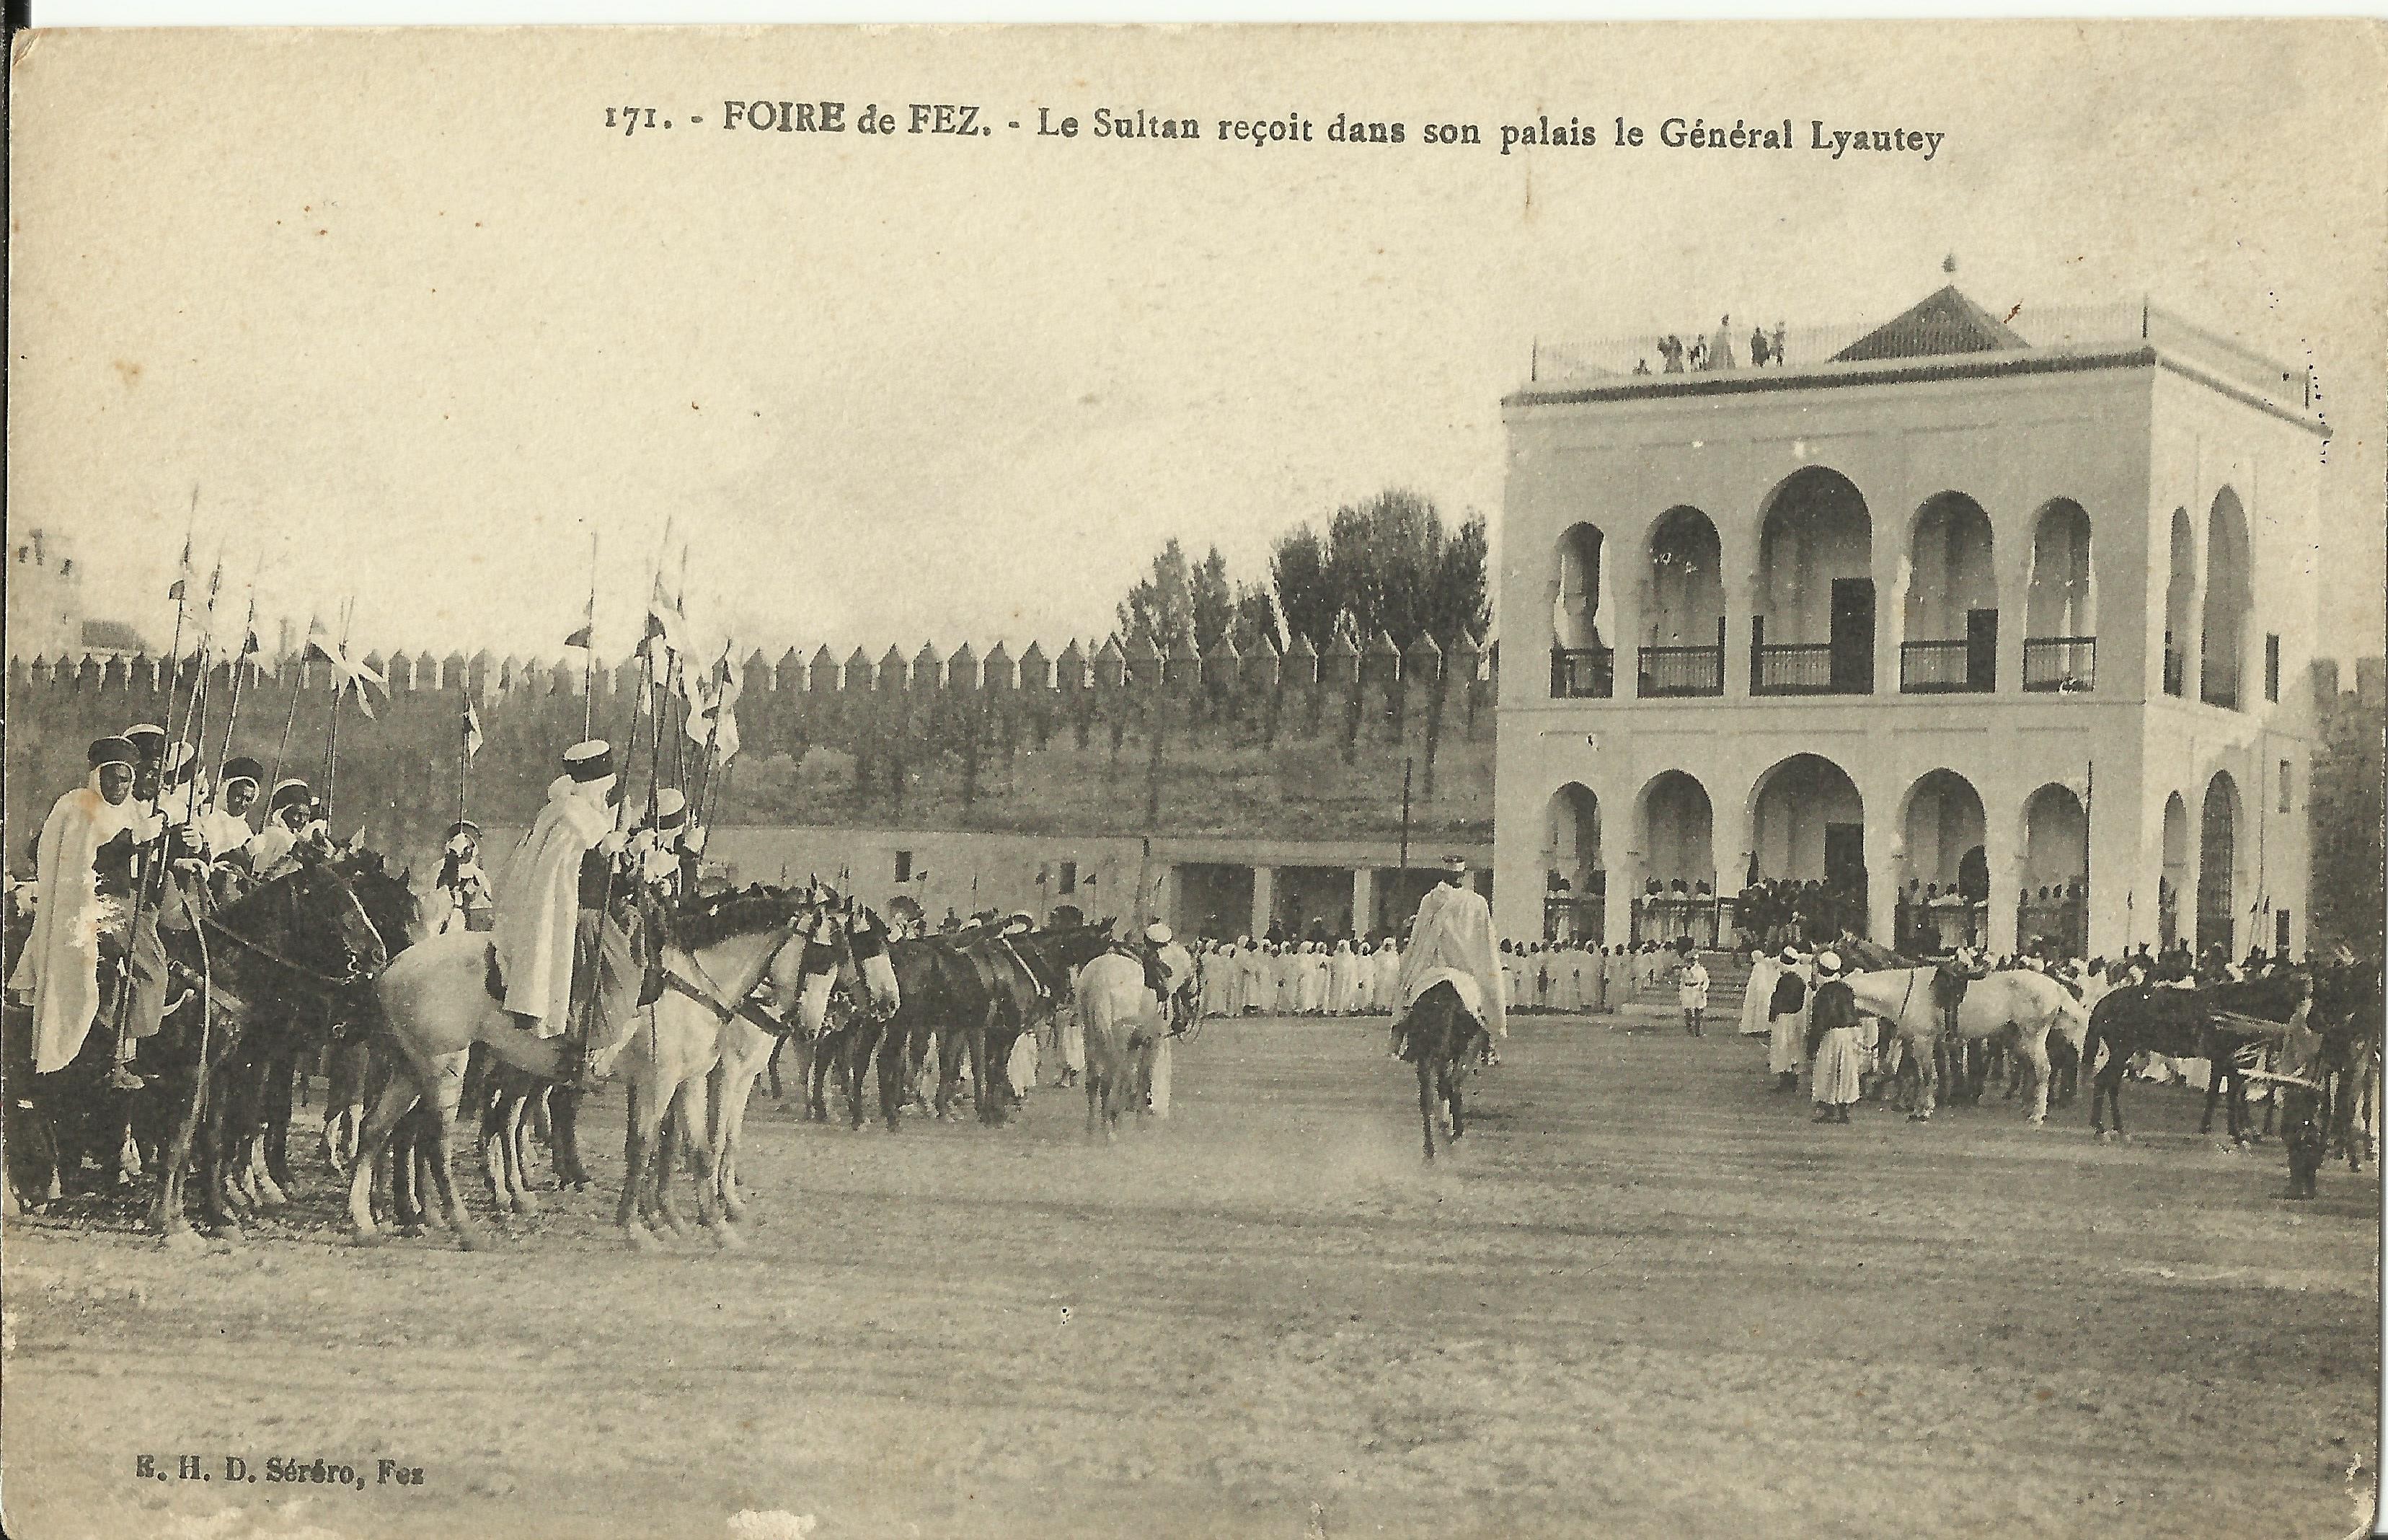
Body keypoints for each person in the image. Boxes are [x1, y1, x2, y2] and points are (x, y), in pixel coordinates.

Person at [492, 740, 633, 1094]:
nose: (606, 799)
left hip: (595, 909)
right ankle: (577, 1050)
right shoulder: (571, 818)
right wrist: (607, 849)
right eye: (603, 791)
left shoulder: (584, 815)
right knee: (607, 974)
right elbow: (572, 870)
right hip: (578, 914)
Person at [8, 738, 142, 1080]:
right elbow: (81, 863)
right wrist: (133, 841)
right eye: (111, 777)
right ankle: (95, 1052)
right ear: (97, 776)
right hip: (84, 908)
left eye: (125, 778)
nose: (117, 785)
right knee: (114, 966)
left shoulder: (132, 811)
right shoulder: (80, 806)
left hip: (121, 904)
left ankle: (127, 1050)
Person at [1391, 855, 1506, 1066]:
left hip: (1432, 973)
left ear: (1443, 875)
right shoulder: (1477, 902)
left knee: (1406, 993)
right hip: (1465, 973)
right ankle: (1490, 1045)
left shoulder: (1431, 899)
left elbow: (1419, 939)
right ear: (1462, 876)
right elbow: (1485, 944)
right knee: (1488, 1000)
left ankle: (1399, 1040)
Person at [1805, 951, 1865, 1124]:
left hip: (1831, 1035)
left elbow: (1820, 1020)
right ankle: (1844, 1109)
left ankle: (1830, 1110)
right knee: (1846, 1071)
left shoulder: (1824, 993)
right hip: (1848, 1034)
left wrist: (1812, 1044)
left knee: (1828, 1071)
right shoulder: (1846, 989)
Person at [433, 820, 496, 934]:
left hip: (470, 927)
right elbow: (433, 899)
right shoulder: (439, 869)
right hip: (447, 925)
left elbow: (486, 900)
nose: (462, 853)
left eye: (467, 848)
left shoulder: (477, 873)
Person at [1766, 947, 1810, 1090]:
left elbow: (1779, 999)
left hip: (1785, 1017)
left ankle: (1785, 1080)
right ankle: (1792, 1079)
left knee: (1783, 1048)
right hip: (1796, 1017)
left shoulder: (1786, 980)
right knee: (1793, 1049)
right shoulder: (1799, 979)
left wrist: (1774, 1013)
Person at [1678, 949, 1710, 1036]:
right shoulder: (1684, 971)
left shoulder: (1701, 969)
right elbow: (1682, 982)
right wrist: (1681, 993)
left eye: (1691, 960)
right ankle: (1689, 1029)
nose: (1689, 962)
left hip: (1697, 989)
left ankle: (1698, 1030)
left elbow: (1706, 980)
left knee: (1698, 1011)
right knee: (1688, 1010)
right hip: (1688, 990)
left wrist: (1703, 989)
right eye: (1688, 960)